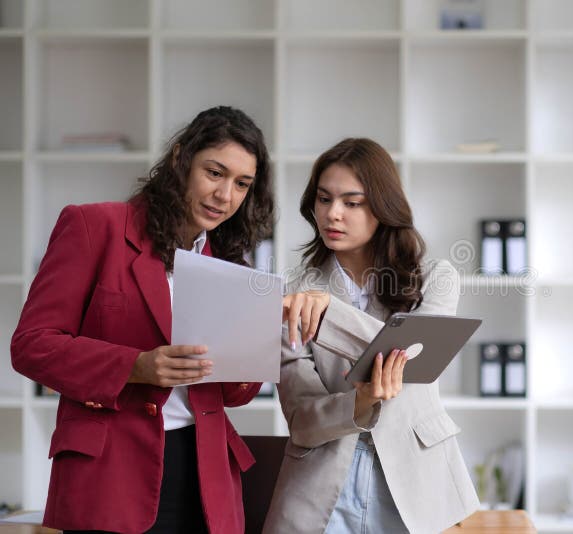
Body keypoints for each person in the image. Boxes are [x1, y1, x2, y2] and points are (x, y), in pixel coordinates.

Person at [10, 106, 274, 534]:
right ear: (179, 159)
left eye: (242, 184)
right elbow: (31, 345)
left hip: (205, 476)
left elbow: (233, 393)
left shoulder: (227, 264)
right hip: (111, 473)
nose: (225, 195)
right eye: (215, 172)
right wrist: (135, 366)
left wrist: (263, 344)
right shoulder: (96, 226)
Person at [264, 137, 479, 534]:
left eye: (352, 202)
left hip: (415, 482)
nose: (333, 214)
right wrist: (359, 401)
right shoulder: (291, 293)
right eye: (324, 199)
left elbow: (416, 360)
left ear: (382, 206)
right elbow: (303, 419)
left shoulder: (436, 276)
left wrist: (329, 312)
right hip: (322, 485)